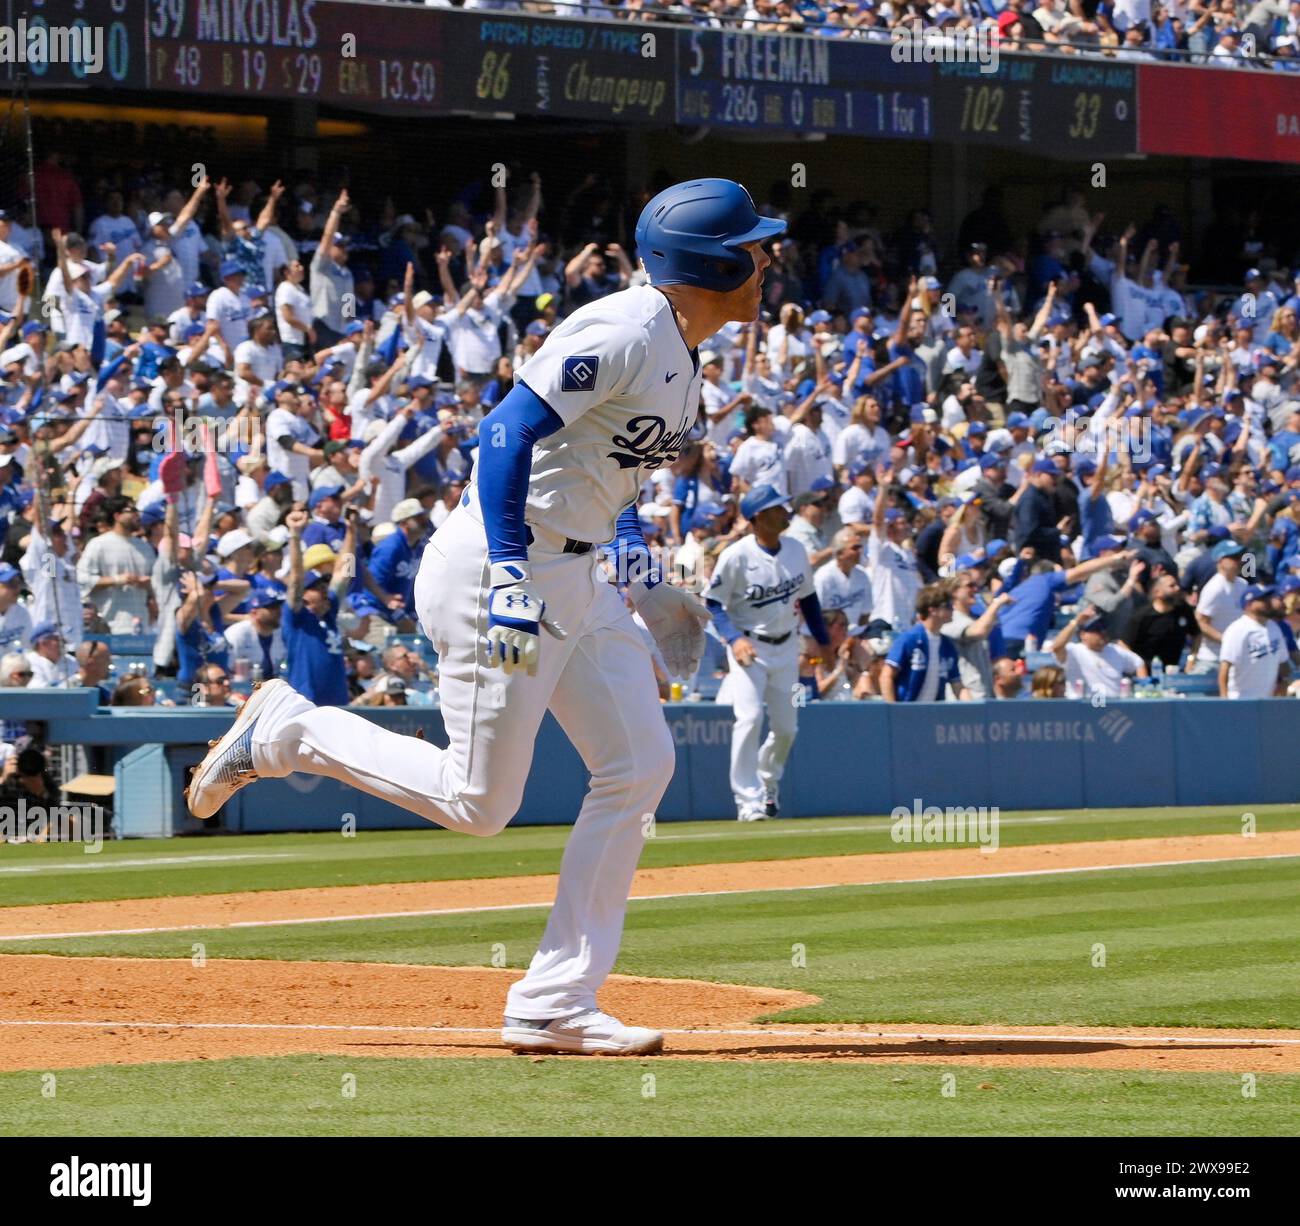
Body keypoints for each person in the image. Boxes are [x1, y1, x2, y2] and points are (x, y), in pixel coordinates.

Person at [186, 178, 768, 1058]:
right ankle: (290, 734)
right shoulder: (625, 329)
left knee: (639, 764)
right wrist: (506, 576)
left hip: (577, 578)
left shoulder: (682, 354)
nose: (766, 259)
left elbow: (606, 477)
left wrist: (645, 579)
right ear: (715, 261)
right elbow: (504, 435)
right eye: (754, 247)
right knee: (479, 802)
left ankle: (554, 1001)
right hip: (500, 568)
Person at [706, 484, 831, 822]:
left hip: (787, 647)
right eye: (777, 508)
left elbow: (808, 599)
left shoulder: (795, 549)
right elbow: (713, 604)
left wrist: (823, 640)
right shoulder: (736, 556)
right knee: (749, 719)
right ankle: (747, 802)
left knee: (788, 728)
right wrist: (733, 639)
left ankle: (768, 781)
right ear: (759, 517)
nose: (785, 511)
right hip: (749, 648)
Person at [881, 582, 963, 702]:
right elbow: (886, 675)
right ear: (932, 610)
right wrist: (892, 710)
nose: (953, 609)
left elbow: (957, 684)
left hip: (932, 715)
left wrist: (975, 710)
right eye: (948, 606)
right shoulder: (909, 639)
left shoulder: (947, 645)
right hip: (906, 712)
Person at [1048, 606, 1145, 698]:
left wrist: (1143, 689)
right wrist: (1076, 621)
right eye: (1096, 630)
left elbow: (1138, 663)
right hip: (1081, 706)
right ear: (1083, 635)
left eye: (1103, 629)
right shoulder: (1074, 650)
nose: (1102, 633)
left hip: (1113, 705)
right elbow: (1056, 647)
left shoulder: (1116, 650)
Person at [1219, 585, 1288, 699]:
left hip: (1267, 700)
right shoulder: (1237, 629)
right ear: (1249, 604)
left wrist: (1282, 681)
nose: (1268, 602)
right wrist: (1224, 699)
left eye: (1268, 598)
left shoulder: (1274, 627)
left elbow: (1283, 664)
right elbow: (1225, 666)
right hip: (1240, 699)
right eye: (1262, 599)